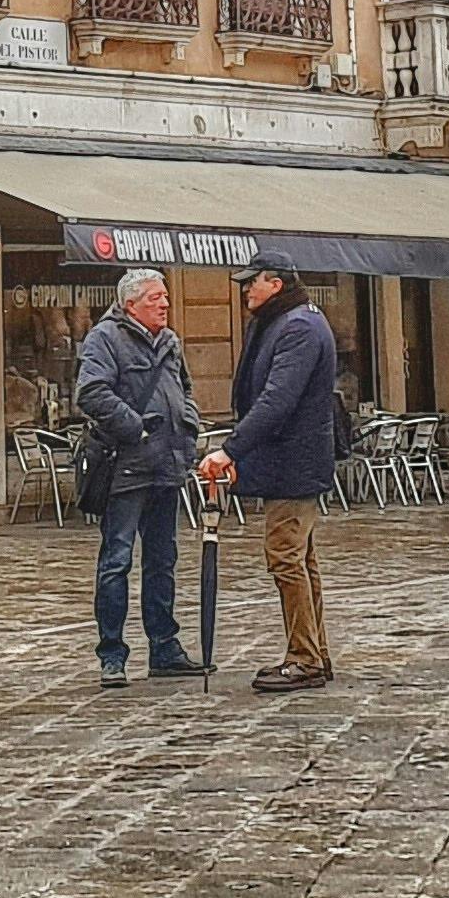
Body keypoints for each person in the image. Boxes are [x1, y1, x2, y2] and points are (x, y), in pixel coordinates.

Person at [208, 264, 337, 695]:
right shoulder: (288, 320)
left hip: (293, 461)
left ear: (275, 283)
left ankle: (304, 659)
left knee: (285, 557)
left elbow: (277, 400)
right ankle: (314, 650)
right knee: (302, 559)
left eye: (252, 283)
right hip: (292, 459)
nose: (245, 290)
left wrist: (231, 449)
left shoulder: (298, 327)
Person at [76, 268, 203, 685]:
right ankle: (112, 655)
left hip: (167, 467)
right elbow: (91, 392)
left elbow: (184, 389)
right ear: (130, 305)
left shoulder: (170, 341)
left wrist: (188, 423)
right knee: (116, 562)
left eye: (165, 297)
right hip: (126, 469)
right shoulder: (104, 339)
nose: (165, 304)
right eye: (154, 298)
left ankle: (164, 648)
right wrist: (137, 427)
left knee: (163, 560)